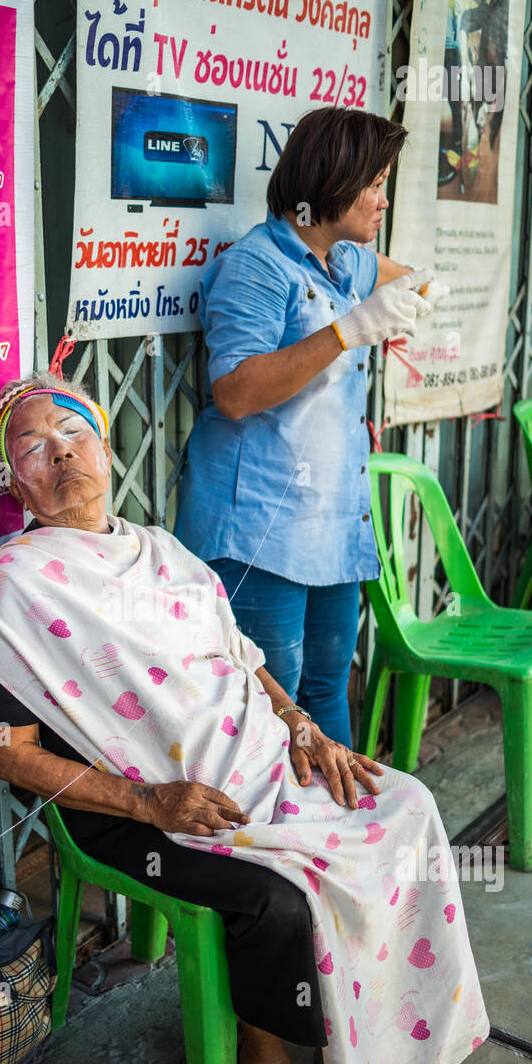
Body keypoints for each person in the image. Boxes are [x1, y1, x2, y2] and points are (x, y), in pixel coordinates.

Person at [0, 373, 488, 1064]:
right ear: (14, 482)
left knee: (405, 804)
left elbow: (240, 660)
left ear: (107, 449)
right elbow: (9, 753)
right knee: (279, 895)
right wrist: (146, 799)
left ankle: (385, 1033)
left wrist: (303, 728)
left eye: (73, 432)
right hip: (134, 805)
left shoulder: (162, 552)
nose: (60, 451)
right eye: (32, 446)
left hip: (260, 755)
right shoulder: (14, 592)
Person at [173, 106, 448, 746]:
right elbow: (236, 391)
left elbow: (400, 277)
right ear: (330, 180)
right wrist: (349, 330)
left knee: (327, 691)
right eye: (374, 184)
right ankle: (273, 843)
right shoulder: (258, 266)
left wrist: (417, 294)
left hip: (330, 528)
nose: (383, 201)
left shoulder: (338, 259)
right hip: (260, 533)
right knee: (273, 710)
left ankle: (343, 836)